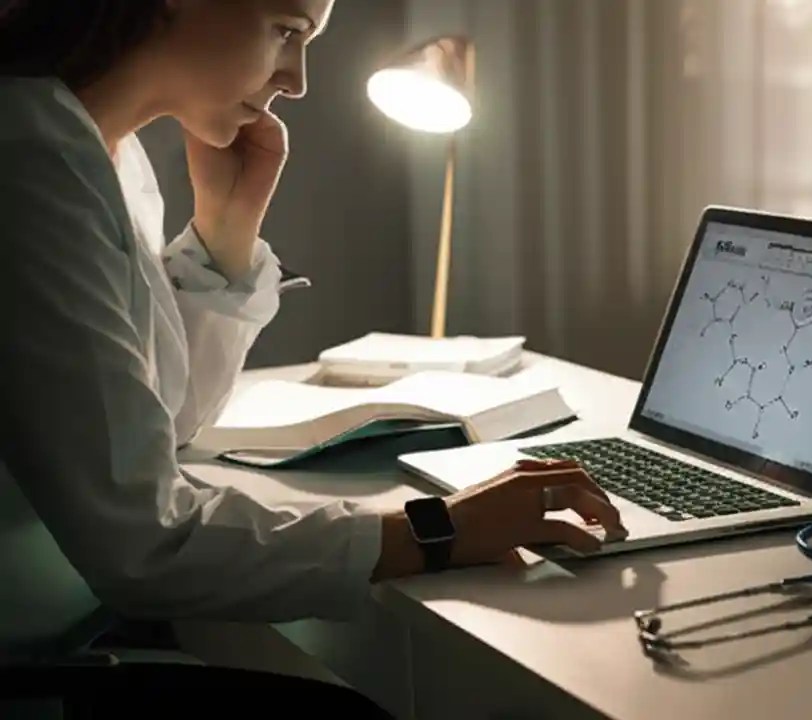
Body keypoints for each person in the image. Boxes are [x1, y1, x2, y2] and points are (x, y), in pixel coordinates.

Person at [0, 0, 628, 667]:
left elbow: (163, 425)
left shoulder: (100, 152)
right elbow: (146, 547)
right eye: (286, 31)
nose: (295, 80)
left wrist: (227, 227)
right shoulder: (31, 160)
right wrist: (439, 529)